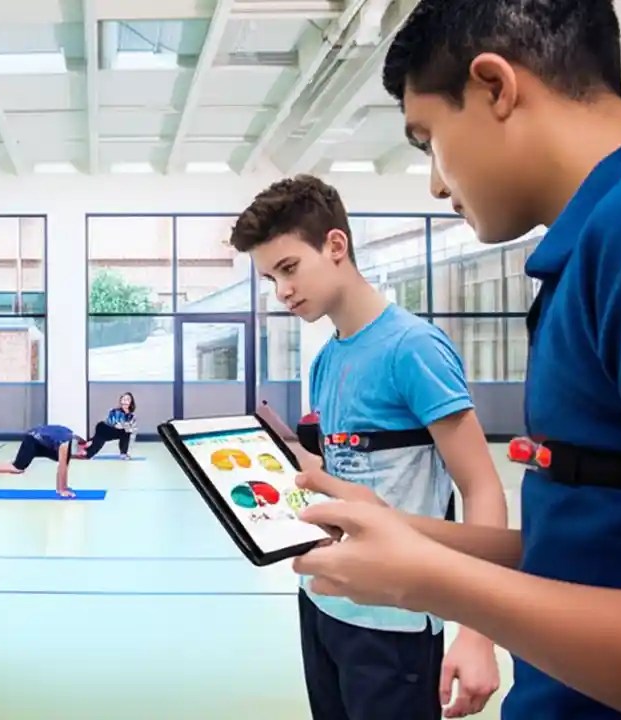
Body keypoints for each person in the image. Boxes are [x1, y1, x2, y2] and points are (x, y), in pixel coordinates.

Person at [289, 2, 621, 719]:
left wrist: (434, 583)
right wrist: (403, 530)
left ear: (495, 87)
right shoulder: (595, 245)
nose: (436, 184)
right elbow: (594, 553)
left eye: (428, 140)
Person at [229, 174, 509, 720]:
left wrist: (479, 632)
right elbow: (345, 472)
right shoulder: (325, 360)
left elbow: (482, 489)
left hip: (396, 621)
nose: (281, 291)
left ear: (336, 246)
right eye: (270, 278)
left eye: (289, 268)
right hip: (322, 601)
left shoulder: (413, 347)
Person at [0, 424, 87, 498]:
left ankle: (60, 488)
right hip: (32, 440)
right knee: (18, 468)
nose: (83, 453)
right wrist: (63, 490)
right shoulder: (65, 443)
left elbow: (64, 460)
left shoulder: (72, 437)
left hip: (40, 440)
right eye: (83, 450)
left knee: (64, 459)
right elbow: (62, 466)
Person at [84, 392, 138, 459]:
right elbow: (113, 423)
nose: (125, 401)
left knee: (127, 432)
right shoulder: (114, 411)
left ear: (131, 402)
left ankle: (123, 453)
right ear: (121, 401)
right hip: (106, 429)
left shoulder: (132, 416)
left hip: (118, 432)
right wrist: (123, 425)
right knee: (100, 434)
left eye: (127, 399)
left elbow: (132, 430)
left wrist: (125, 426)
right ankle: (89, 451)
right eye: (123, 399)